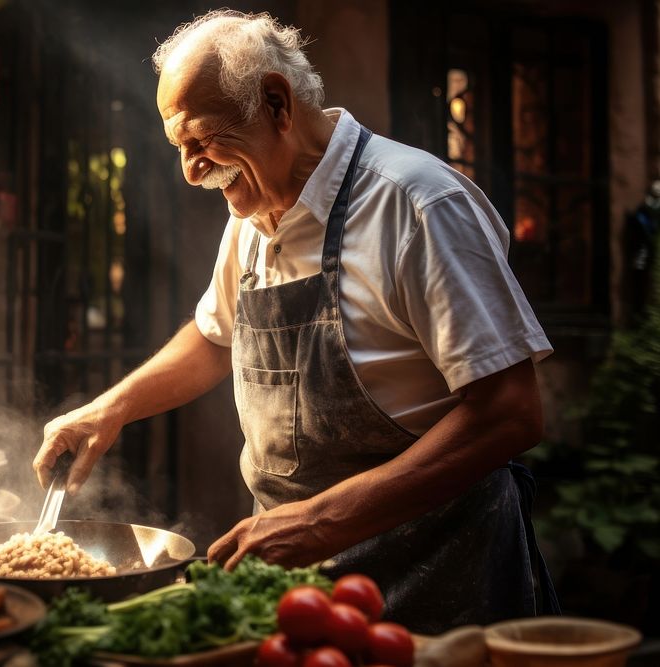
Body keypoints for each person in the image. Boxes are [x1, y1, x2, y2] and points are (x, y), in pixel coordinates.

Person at [33, 9, 559, 633]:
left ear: (276, 104)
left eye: (200, 141)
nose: (190, 170)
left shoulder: (418, 204)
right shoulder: (252, 215)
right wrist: (110, 409)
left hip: (445, 576)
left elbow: (509, 411)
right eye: (180, 149)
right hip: (301, 582)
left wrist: (319, 520)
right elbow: (214, 336)